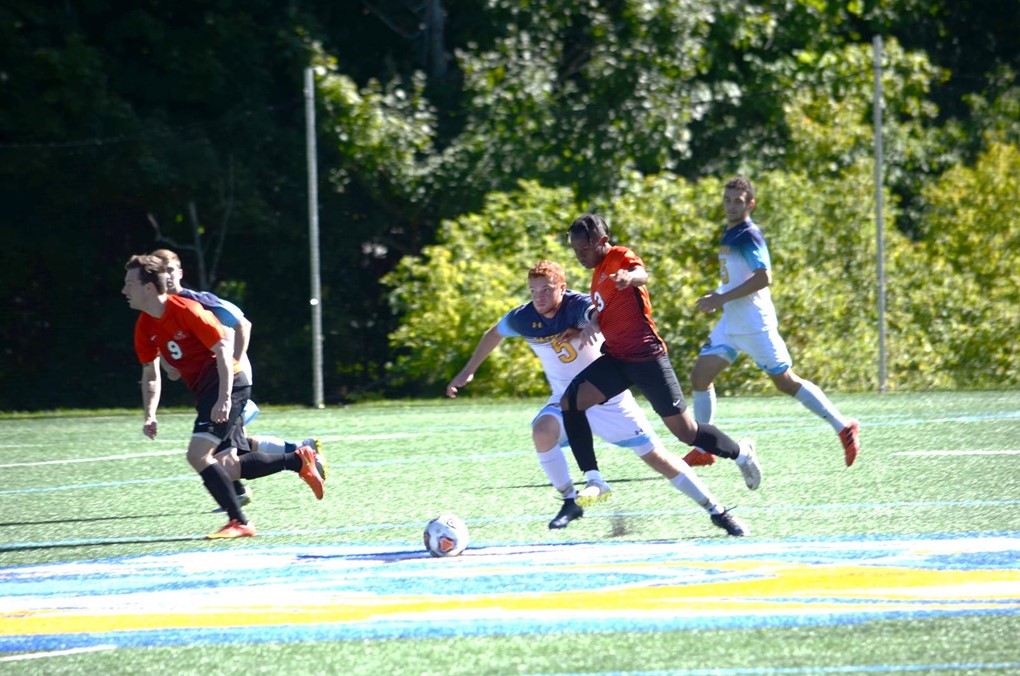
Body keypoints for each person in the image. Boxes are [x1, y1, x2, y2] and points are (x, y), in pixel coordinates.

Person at [449, 260, 744, 534]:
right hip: (566, 398)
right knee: (541, 431)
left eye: (547, 290)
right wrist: (467, 371)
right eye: (534, 290)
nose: (539, 297)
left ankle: (716, 510)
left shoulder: (576, 304)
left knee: (658, 458)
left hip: (608, 398)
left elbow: (598, 314)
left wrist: (589, 325)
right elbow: (493, 333)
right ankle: (570, 500)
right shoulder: (524, 317)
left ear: (562, 288)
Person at [560, 214, 761, 535]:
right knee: (571, 402)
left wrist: (630, 277)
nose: (578, 255)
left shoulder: (617, 256)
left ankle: (740, 453)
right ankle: (594, 479)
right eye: (574, 250)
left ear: (600, 241)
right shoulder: (596, 273)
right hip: (617, 358)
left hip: (646, 357)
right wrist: (592, 323)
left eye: (583, 248)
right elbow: (606, 308)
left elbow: (641, 273)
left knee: (686, 432)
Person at [122, 254, 326, 539]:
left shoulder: (188, 309)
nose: (124, 290)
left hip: (228, 382)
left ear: (147, 287)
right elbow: (151, 373)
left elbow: (222, 352)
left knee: (198, 455)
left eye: (129, 283)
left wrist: (224, 398)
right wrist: (150, 414)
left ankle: (239, 522)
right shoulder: (144, 326)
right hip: (207, 390)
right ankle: (297, 460)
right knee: (228, 466)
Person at [685, 176, 860, 468]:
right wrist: (718, 294)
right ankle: (705, 448)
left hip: (755, 325)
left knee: (785, 382)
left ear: (749, 204)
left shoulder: (749, 235)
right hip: (731, 324)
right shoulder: (730, 233)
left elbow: (764, 277)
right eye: (727, 200)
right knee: (700, 378)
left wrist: (721, 299)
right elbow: (736, 276)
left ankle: (844, 427)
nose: (730, 206)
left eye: (737, 201)